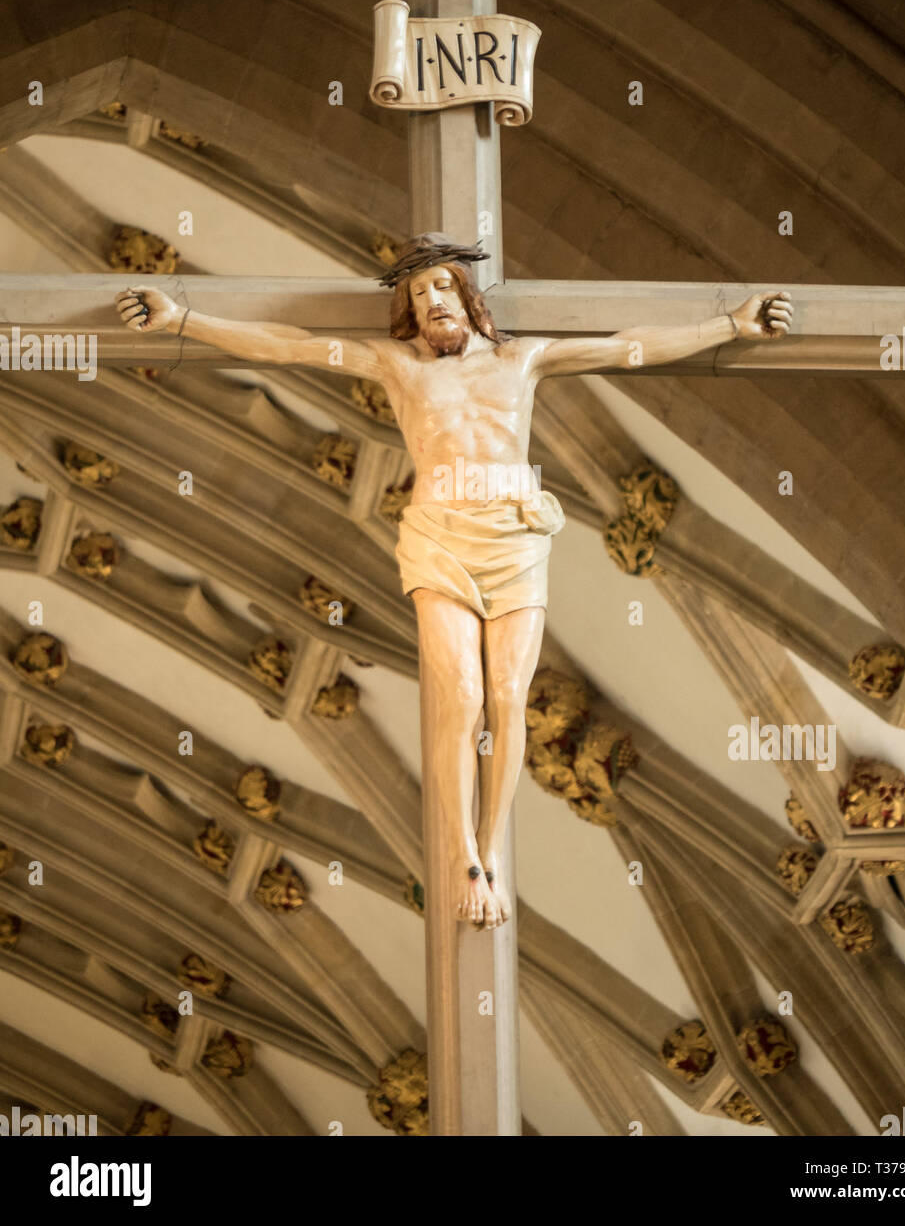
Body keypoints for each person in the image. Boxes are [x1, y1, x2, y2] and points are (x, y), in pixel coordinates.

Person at [116, 234, 792, 928]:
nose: (432, 301)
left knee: (506, 694)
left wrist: (730, 326)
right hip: (438, 536)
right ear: (409, 314)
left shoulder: (520, 359)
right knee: (460, 693)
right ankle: (464, 857)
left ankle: (492, 852)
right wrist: (184, 322)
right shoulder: (399, 366)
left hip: (513, 539)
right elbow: (289, 345)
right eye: (418, 295)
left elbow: (626, 347)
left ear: (467, 299)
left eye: (441, 288)